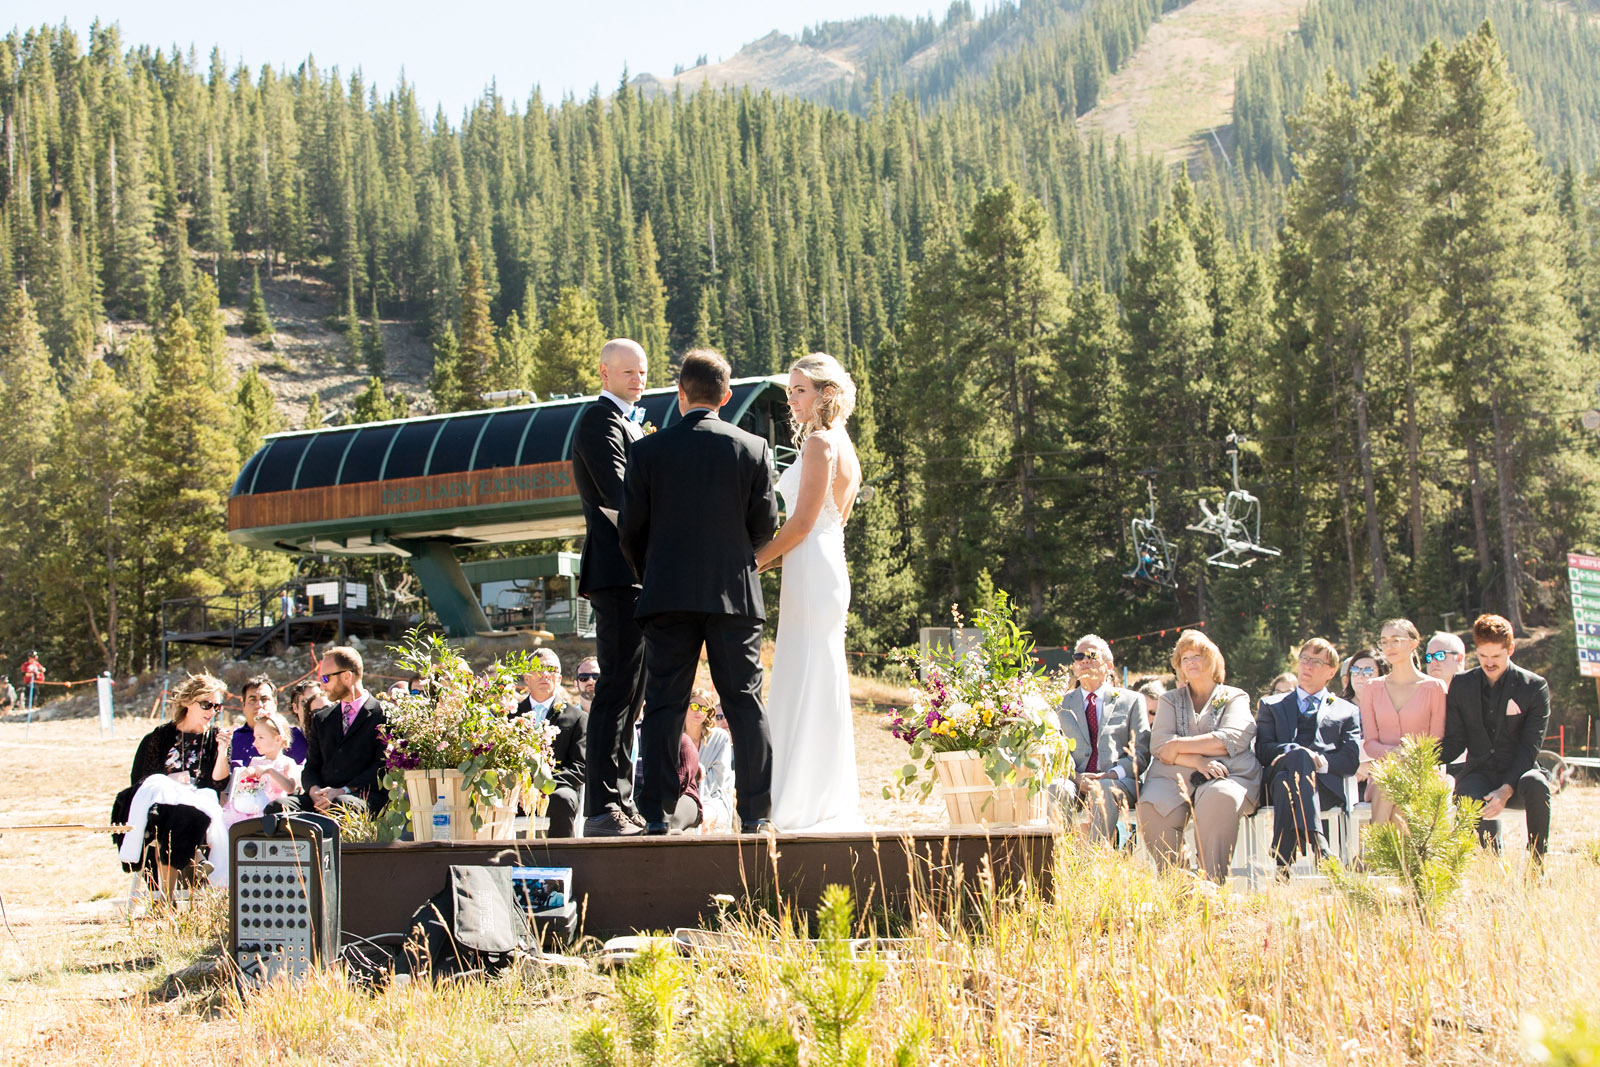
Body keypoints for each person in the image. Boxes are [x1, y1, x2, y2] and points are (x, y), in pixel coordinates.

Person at [618, 348, 779, 835]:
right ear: (726, 396)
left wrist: (654, 568)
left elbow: (630, 529)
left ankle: (657, 814)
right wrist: (730, 558)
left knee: (665, 704)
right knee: (744, 703)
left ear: (680, 393)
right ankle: (756, 814)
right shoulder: (753, 448)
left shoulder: (646, 452)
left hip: (667, 594)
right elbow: (765, 526)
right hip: (733, 593)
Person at [755, 352, 863, 833]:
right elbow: (826, 525)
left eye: (799, 390)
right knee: (816, 673)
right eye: (790, 391)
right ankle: (815, 794)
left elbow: (801, 523)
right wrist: (775, 559)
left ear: (824, 393)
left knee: (806, 674)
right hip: (821, 561)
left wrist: (750, 561)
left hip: (813, 565)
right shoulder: (844, 444)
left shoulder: (820, 443)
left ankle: (799, 800)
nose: (791, 399)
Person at [572, 337, 651, 838]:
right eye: (628, 373)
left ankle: (620, 798)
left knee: (633, 692)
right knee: (615, 690)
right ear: (604, 373)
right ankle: (600, 806)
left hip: (637, 573)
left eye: (643, 372)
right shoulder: (600, 422)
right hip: (618, 571)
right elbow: (619, 497)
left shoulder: (628, 422)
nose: (638, 379)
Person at [1138, 630, 1261, 883]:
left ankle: (1211, 885)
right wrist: (1197, 760)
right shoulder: (1169, 700)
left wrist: (1179, 745)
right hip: (1174, 774)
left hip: (1228, 772)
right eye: (1185, 659)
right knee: (1151, 805)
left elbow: (1231, 739)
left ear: (1212, 660)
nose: (1191, 662)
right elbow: (1160, 745)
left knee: (1219, 796)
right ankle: (1179, 886)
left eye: (1198, 656)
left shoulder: (1235, 696)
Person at [1439, 613, 1552, 863]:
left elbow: (1530, 746)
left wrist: (1506, 788)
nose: (1489, 663)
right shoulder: (1461, 684)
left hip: (1520, 771)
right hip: (1478, 771)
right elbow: (1455, 740)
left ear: (1510, 649)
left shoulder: (1534, 687)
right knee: (1467, 793)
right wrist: (1424, 756)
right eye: (1483, 656)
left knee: (1537, 783)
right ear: (1475, 652)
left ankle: (1537, 862)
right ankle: (1491, 866)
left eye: (1496, 657)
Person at [118, 673, 234, 896]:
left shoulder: (215, 739)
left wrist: (221, 753)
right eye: (206, 704)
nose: (212, 712)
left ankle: (166, 897)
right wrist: (170, 780)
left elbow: (218, 785)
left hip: (198, 806)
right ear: (188, 702)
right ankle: (182, 879)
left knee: (182, 816)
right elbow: (140, 781)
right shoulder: (159, 737)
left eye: (217, 706)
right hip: (161, 805)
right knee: (169, 814)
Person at [1255, 638, 1362, 873]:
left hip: (1323, 787)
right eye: (1304, 659)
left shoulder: (1347, 710)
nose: (1307, 666)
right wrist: (1294, 752)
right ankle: (1317, 840)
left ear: (1331, 671)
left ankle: (1283, 860)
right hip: (1275, 779)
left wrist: (1321, 763)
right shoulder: (1271, 705)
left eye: (1316, 661)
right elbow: (1263, 750)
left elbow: (1351, 761)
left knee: (1286, 785)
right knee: (1297, 758)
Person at [1055, 634, 1150, 843]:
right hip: (1075, 781)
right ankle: (1058, 861)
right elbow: (1054, 753)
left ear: (1108, 666)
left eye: (1091, 655)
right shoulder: (1060, 704)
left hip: (1118, 783)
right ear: (1074, 667)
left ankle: (1094, 862)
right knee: (1055, 788)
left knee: (1103, 790)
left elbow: (1141, 753)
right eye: (1079, 656)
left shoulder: (1132, 701)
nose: (1084, 661)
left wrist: (1111, 775)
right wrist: (1075, 777)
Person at [275, 645, 387, 814]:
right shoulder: (322, 719)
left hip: (363, 796)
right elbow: (311, 767)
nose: (322, 685)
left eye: (326, 679)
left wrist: (344, 790)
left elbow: (382, 767)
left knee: (340, 803)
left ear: (347, 676)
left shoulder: (382, 715)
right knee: (277, 808)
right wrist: (314, 792)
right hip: (322, 797)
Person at [1359, 618, 1447, 825]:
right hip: (1384, 774)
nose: (1388, 646)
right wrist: (1393, 754)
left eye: (1395, 640)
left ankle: (1372, 851)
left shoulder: (1434, 687)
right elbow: (1370, 743)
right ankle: (1388, 853)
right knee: (1390, 783)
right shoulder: (1372, 688)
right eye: (1384, 641)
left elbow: (1437, 740)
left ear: (1413, 643)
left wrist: (1410, 757)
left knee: (1397, 789)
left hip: (1423, 773)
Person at [512, 648, 588, 838]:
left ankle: (560, 860)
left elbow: (580, 766)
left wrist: (544, 786)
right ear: (526, 678)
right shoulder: (511, 716)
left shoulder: (577, 718)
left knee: (563, 799)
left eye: (551, 669)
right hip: (516, 791)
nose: (545, 674)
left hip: (556, 788)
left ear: (559, 679)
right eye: (538, 668)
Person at [221, 709, 303, 826]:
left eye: (260, 737)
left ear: (278, 739)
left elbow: (290, 788)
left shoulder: (287, 763)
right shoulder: (255, 761)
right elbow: (246, 785)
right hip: (252, 808)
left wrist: (270, 771)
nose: (254, 743)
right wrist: (246, 775)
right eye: (255, 737)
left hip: (274, 811)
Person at [229, 675, 308, 766]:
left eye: (264, 699)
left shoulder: (293, 736)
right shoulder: (232, 739)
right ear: (243, 706)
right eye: (252, 700)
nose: (259, 705)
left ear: (275, 704)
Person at [688, 687, 736, 833]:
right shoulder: (676, 738)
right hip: (680, 799)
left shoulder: (719, 738)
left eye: (704, 708)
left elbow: (718, 780)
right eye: (694, 706)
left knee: (702, 819)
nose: (699, 711)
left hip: (713, 800)